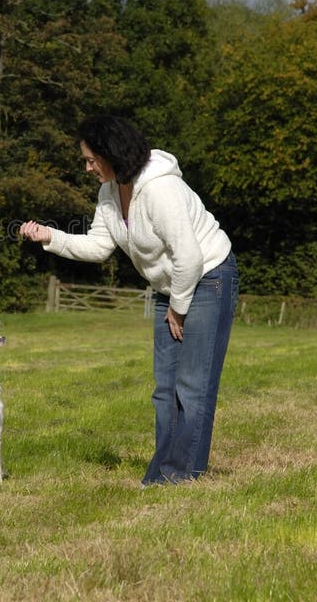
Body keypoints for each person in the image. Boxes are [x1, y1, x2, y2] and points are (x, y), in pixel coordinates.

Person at [19, 114, 238, 486]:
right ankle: (163, 472)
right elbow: (99, 246)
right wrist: (49, 237)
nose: (86, 167)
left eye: (91, 159)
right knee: (164, 389)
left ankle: (182, 476)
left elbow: (189, 255)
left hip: (207, 279)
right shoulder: (109, 192)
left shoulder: (159, 189)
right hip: (172, 287)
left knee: (192, 385)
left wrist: (178, 309)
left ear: (112, 153)